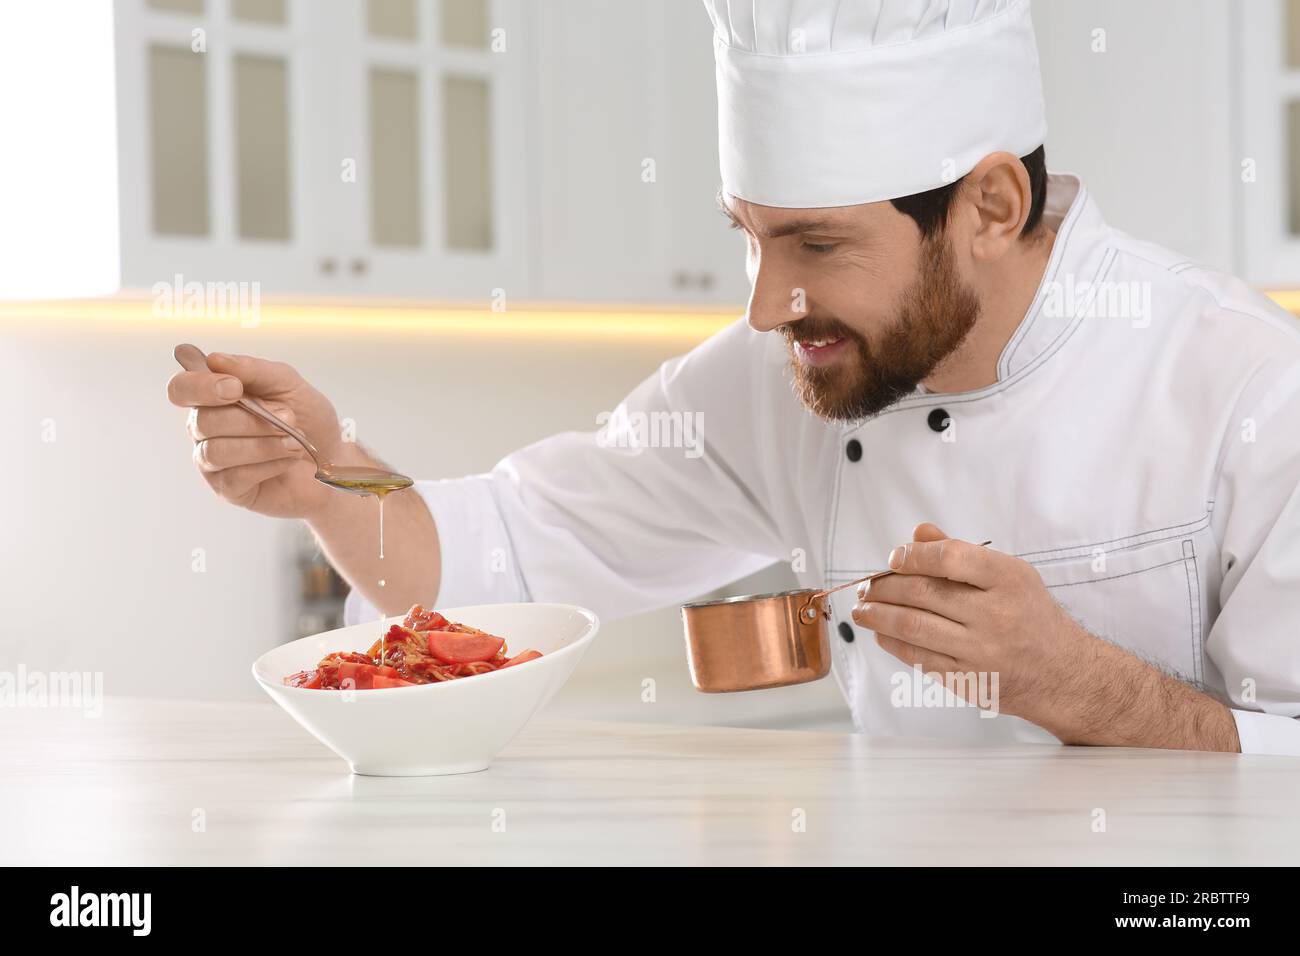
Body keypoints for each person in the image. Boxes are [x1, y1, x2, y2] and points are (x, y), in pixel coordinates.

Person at [167, 0, 1300, 754]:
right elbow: (497, 554)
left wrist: (1074, 681)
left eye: (817, 244)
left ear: (991, 207)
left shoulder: (1248, 386)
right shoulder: (785, 376)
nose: (766, 305)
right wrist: (329, 477)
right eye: (748, 238)